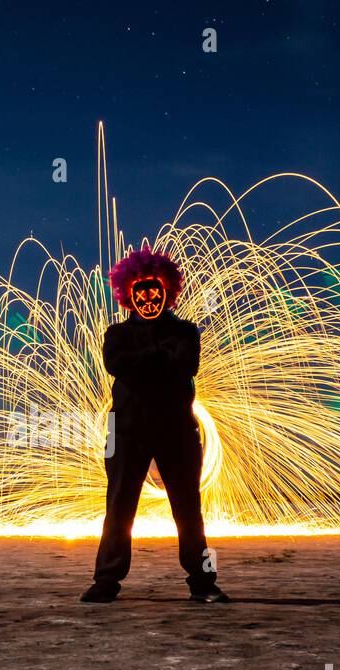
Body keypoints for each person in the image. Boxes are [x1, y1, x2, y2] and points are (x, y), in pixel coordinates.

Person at [81, 248, 228, 604]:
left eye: (155, 291)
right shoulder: (117, 333)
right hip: (124, 430)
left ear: (168, 291)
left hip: (176, 430)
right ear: (128, 294)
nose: (149, 298)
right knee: (118, 505)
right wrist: (159, 357)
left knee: (189, 508)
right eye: (142, 292)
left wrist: (142, 364)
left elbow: (186, 365)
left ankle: (203, 581)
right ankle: (106, 580)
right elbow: (117, 365)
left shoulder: (186, 331)